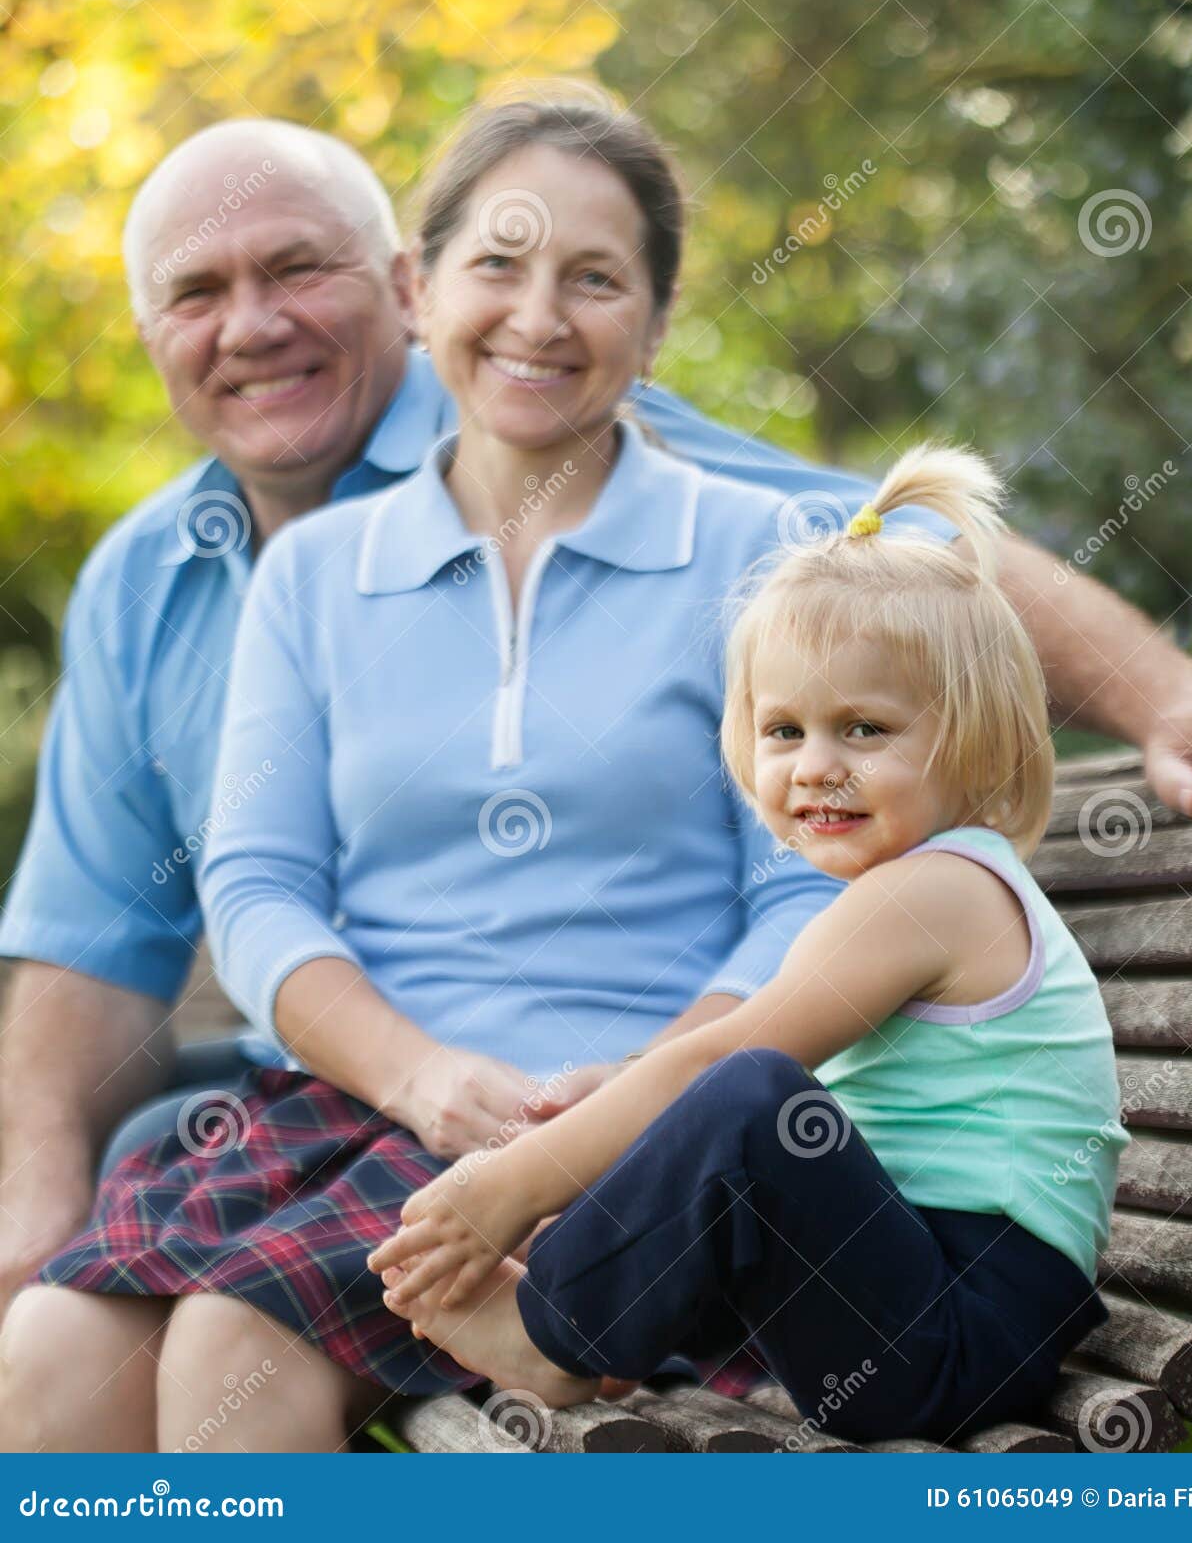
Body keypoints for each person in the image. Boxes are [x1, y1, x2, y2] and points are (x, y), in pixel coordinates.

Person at [0, 96, 962, 1453]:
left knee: (234, 1338)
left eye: (595, 277)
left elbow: (817, 887)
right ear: (421, 290)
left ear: (657, 316)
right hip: (361, 1105)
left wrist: (637, 1090)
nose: (538, 317)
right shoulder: (318, 572)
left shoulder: (769, 551)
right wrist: (422, 1076)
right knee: (48, 1348)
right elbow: (260, 885)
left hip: (650, 1125)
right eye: (498, 266)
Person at [368, 440, 1130, 1445]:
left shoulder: (938, 892)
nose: (816, 767)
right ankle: (586, 1316)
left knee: (751, 1092)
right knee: (735, 1103)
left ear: (973, 739)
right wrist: (630, 1105)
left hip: (954, 1338)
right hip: (907, 1301)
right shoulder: (897, 896)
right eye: (783, 731)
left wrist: (515, 1185)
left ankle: (549, 1337)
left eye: (863, 729)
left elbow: (733, 1065)